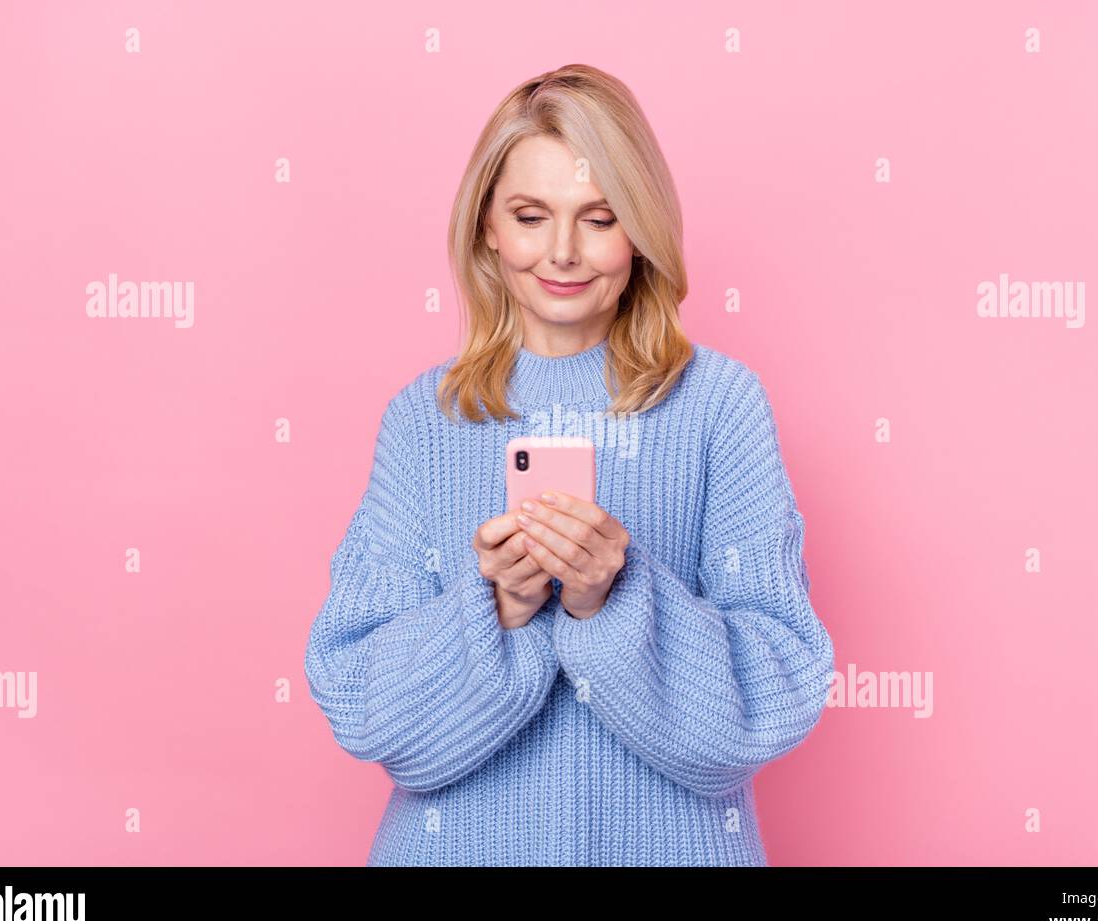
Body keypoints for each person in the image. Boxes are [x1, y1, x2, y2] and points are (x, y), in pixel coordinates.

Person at [304, 63, 834, 866]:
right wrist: (500, 607)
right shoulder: (424, 420)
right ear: (487, 225)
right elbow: (365, 708)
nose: (561, 252)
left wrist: (609, 599)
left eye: (599, 217)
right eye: (529, 215)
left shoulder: (721, 405)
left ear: (641, 229)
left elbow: (771, 698)